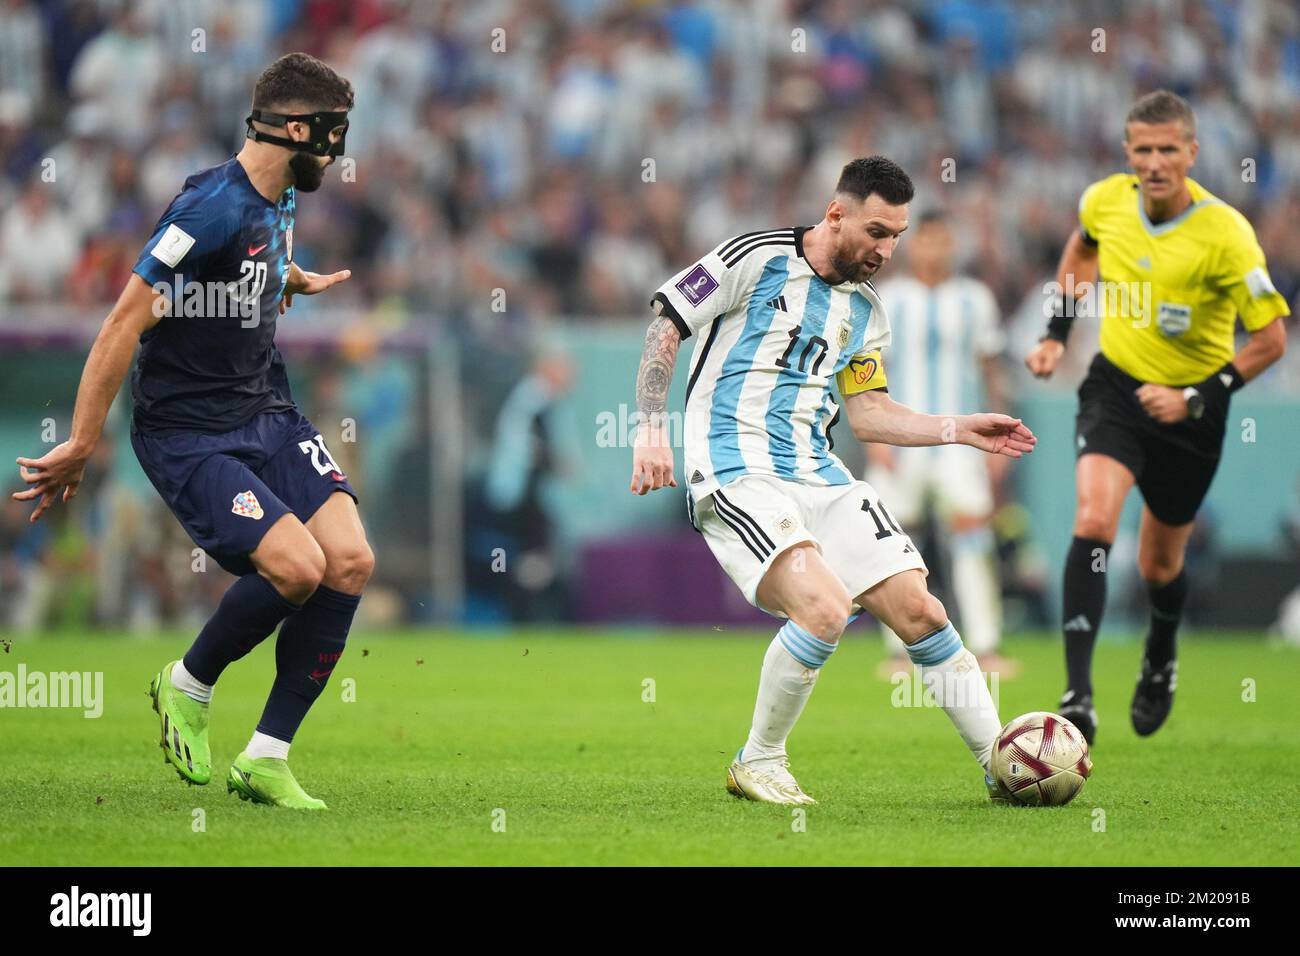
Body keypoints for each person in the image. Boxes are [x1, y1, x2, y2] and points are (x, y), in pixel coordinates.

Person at [12, 53, 373, 809]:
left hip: (266, 410)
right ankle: (187, 684)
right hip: (190, 431)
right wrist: (82, 441)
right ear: (297, 129)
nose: (337, 154)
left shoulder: (277, 197)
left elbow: (252, 258)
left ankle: (267, 756)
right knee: (297, 569)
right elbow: (122, 322)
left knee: (348, 559)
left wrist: (289, 276)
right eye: (331, 136)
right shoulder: (207, 209)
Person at [630, 156, 1036, 805]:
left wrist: (957, 428)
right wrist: (650, 428)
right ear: (836, 213)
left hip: (821, 475)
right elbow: (666, 323)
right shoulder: (753, 257)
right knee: (823, 610)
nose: (886, 249)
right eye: (876, 231)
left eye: (895, 236)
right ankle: (758, 760)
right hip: (738, 471)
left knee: (921, 609)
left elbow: (870, 414)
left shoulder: (865, 312)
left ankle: (1002, 765)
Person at [1024, 90, 1289, 744]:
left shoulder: (1226, 233)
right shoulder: (1104, 200)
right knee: (1093, 519)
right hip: (1114, 388)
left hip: (1191, 410)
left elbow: (1271, 339)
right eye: (1143, 149)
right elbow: (1081, 252)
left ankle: (1161, 652)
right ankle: (1077, 697)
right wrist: (1058, 331)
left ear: (1192, 153)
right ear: (1128, 154)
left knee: (1160, 568)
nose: (1155, 161)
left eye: (1169, 149)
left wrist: (1196, 396)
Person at [869, 211, 1018, 679]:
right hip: (899, 438)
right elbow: (866, 367)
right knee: (893, 545)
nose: (935, 250)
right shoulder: (886, 298)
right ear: (914, 244)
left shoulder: (975, 300)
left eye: (944, 241)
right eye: (927, 240)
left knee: (973, 539)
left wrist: (998, 437)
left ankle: (986, 647)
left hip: (960, 444)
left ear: (954, 245)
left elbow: (992, 369)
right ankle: (898, 653)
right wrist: (875, 439)